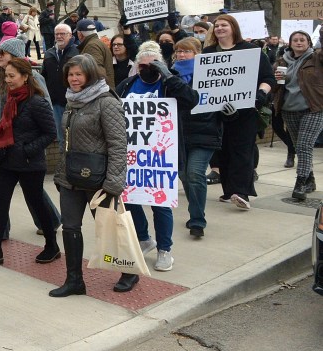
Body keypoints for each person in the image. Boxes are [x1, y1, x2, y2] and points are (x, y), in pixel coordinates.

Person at [116, 42, 198, 287]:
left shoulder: (169, 84)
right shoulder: (128, 85)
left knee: (160, 204)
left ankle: (164, 249)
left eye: (153, 65)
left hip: (162, 157)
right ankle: (143, 238)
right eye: (143, 65)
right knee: (129, 198)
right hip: (133, 155)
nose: (147, 69)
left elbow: (190, 100)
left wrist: (168, 75)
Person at [49, 54, 127, 298]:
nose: (73, 79)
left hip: (99, 180)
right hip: (71, 177)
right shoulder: (72, 101)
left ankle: (129, 271)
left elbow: (118, 144)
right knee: (70, 227)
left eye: (78, 74)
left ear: (90, 74)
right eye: (70, 74)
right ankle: (74, 281)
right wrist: (61, 175)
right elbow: (67, 143)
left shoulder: (107, 102)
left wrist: (114, 182)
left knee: (108, 228)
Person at [0, 57, 59, 267]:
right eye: (6, 76)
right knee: (0, 206)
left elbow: (50, 133)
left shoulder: (37, 102)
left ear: (25, 77)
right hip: (6, 160)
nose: (8, 80)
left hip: (30, 164)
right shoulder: (11, 99)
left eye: (12, 76)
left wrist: (27, 150)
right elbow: (7, 128)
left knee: (37, 205)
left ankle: (52, 245)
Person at [202, 14, 275, 209]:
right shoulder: (208, 53)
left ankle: (241, 192)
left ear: (234, 28)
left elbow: (268, 77)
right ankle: (229, 190)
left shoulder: (251, 51)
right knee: (223, 150)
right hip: (218, 111)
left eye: (224, 25)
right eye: (216, 26)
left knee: (242, 151)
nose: (219, 28)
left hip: (246, 111)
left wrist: (261, 93)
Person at [172, 37, 221, 238]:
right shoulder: (171, 75)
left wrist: (229, 111)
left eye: (186, 51)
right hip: (180, 133)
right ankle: (195, 209)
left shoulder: (211, 74)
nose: (182, 55)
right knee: (184, 175)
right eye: (179, 51)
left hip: (205, 132)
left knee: (194, 173)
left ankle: (197, 220)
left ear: (197, 53)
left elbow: (222, 98)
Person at [274, 30, 323, 200]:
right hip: (289, 109)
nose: (299, 42)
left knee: (304, 146)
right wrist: (276, 78)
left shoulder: (316, 58)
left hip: (314, 108)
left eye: (303, 39)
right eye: (295, 40)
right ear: (290, 43)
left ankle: (300, 183)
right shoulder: (282, 61)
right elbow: (275, 86)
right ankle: (310, 180)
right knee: (299, 147)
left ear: (309, 42)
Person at [42, 23, 79, 146]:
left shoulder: (77, 52)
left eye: (62, 34)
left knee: (75, 136)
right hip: (55, 103)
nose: (59, 36)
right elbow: (44, 77)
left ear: (70, 35)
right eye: (56, 34)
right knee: (61, 137)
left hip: (74, 101)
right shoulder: (49, 53)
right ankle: (64, 163)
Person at [75, 18, 114, 87]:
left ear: (80, 34)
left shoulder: (92, 46)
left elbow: (97, 72)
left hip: (99, 93)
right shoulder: (98, 43)